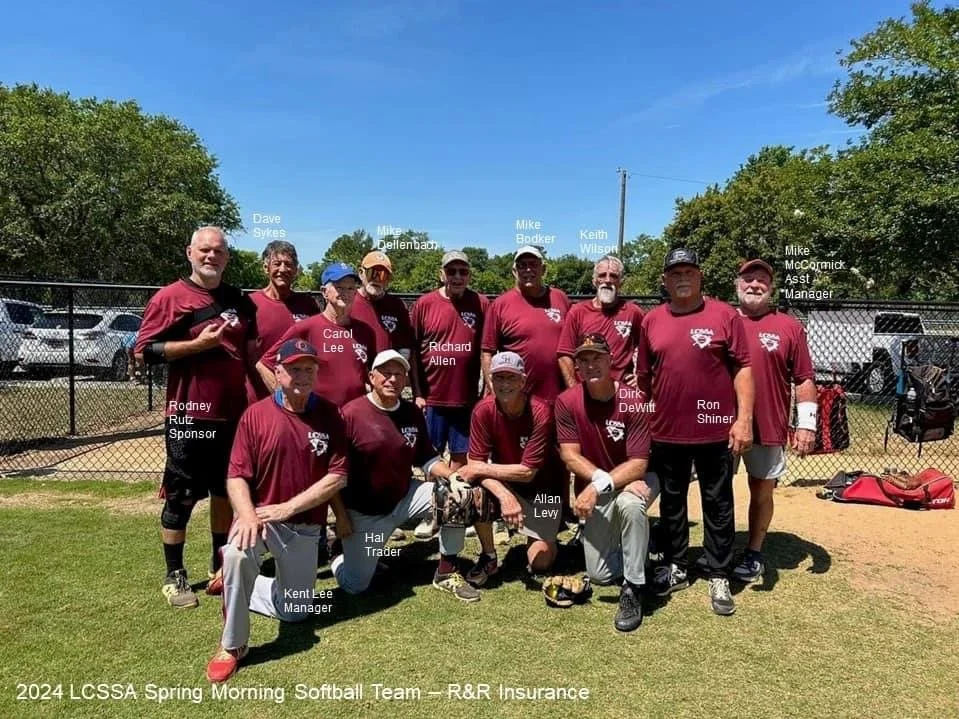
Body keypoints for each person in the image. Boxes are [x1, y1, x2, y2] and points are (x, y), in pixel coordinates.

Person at [205, 339, 348, 683]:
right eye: (295, 368)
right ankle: (233, 645)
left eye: (309, 369)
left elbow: (337, 477)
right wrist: (249, 515)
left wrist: (289, 508)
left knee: (296, 612)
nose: (302, 375)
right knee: (239, 553)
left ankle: (238, 586)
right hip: (260, 519)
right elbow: (236, 476)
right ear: (278, 371)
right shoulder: (256, 415)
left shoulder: (331, 415)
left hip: (303, 525)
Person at [135, 226, 257, 608]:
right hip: (190, 417)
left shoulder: (239, 300)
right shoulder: (171, 297)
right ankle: (175, 575)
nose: (211, 256)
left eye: (218, 251)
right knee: (183, 496)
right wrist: (196, 346)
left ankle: (220, 565)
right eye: (204, 250)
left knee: (226, 491)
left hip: (233, 416)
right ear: (190, 252)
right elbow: (143, 352)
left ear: (227, 257)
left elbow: (253, 351)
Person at [635, 247, 754, 616]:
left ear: (700, 276)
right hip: (667, 431)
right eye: (674, 272)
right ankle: (677, 565)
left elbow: (744, 369)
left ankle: (719, 572)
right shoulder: (651, 320)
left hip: (715, 429)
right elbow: (643, 379)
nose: (682, 277)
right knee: (672, 503)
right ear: (665, 280)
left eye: (688, 270)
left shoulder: (723, 315)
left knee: (717, 502)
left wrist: (743, 419)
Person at [331, 350, 478, 601]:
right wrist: (341, 517)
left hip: (403, 498)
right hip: (365, 514)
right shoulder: (350, 414)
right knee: (356, 585)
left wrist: (452, 477)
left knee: (457, 496)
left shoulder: (411, 412)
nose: (392, 379)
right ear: (371, 377)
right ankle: (338, 555)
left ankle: (445, 572)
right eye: (386, 373)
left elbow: (427, 458)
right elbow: (332, 474)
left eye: (399, 374)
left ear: (406, 380)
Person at [555, 334, 656, 632]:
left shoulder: (632, 399)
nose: (590, 365)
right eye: (583, 360)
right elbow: (569, 455)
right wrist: (601, 482)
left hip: (639, 478)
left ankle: (634, 588)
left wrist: (597, 486)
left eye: (597, 357)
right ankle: (647, 546)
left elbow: (639, 464)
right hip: (603, 482)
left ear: (611, 360)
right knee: (599, 575)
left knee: (629, 503)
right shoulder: (566, 401)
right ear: (577, 368)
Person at [731, 259, 816, 582]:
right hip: (721, 422)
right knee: (717, 491)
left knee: (762, 490)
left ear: (771, 287)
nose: (754, 285)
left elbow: (805, 378)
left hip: (769, 424)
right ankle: (719, 551)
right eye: (748, 278)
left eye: (762, 280)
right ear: (737, 284)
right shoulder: (722, 320)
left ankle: (753, 552)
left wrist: (806, 423)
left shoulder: (789, 326)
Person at [457, 351, 564, 586]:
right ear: (491, 381)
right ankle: (489, 556)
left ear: (523, 381)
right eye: (499, 378)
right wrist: (505, 496)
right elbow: (475, 465)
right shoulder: (482, 411)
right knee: (471, 492)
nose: (505, 384)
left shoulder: (540, 412)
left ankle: (541, 534)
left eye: (511, 378)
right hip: (507, 486)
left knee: (541, 561)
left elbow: (527, 472)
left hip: (544, 492)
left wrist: (481, 469)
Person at [409, 250, 489, 539]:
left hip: (465, 399)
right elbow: (413, 353)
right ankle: (432, 512)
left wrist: (486, 389)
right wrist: (418, 392)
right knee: (430, 459)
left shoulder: (480, 303)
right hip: (432, 399)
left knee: (460, 459)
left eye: (462, 272)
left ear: (468, 275)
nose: (457, 277)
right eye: (451, 271)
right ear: (441, 273)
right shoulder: (424, 304)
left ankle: (455, 510)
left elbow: (486, 349)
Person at [256, 263, 376, 406]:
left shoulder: (365, 331)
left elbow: (374, 374)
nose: (345, 292)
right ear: (324, 292)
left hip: (355, 417)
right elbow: (264, 364)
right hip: (319, 419)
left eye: (350, 288)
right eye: (339, 287)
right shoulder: (307, 327)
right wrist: (287, 401)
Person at [481, 246, 570, 405]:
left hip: (558, 397)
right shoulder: (500, 305)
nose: (528, 269)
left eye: (533, 264)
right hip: (518, 401)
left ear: (543, 269)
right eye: (522, 265)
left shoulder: (560, 298)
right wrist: (494, 390)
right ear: (515, 271)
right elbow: (487, 352)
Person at [246, 241, 319, 402]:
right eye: (277, 264)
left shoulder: (308, 305)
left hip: (299, 399)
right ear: (266, 268)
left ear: (296, 269)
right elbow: (249, 358)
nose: (283, 269)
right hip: (259, 399)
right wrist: (279, 393)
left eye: (288, 264)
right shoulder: (249, 304)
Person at [557, 255, 644, 388]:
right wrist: (574, 391)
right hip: (587, 391)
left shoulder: (633, 312)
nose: (607, 280)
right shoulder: (577, 312)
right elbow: (564, 355)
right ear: (594, 281)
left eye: (613, 276)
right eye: (602, 275)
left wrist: (641, 377)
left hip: (620, 392)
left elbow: (650, 348)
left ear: (621, 282)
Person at [351, 251, 415, 362]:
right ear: (361, 274)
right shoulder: (348, 302)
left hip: (388, 376)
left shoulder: (397, 305)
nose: (376, 279)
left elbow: (405, 346)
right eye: (372, 273)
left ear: (388, 280)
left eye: (382, 275)